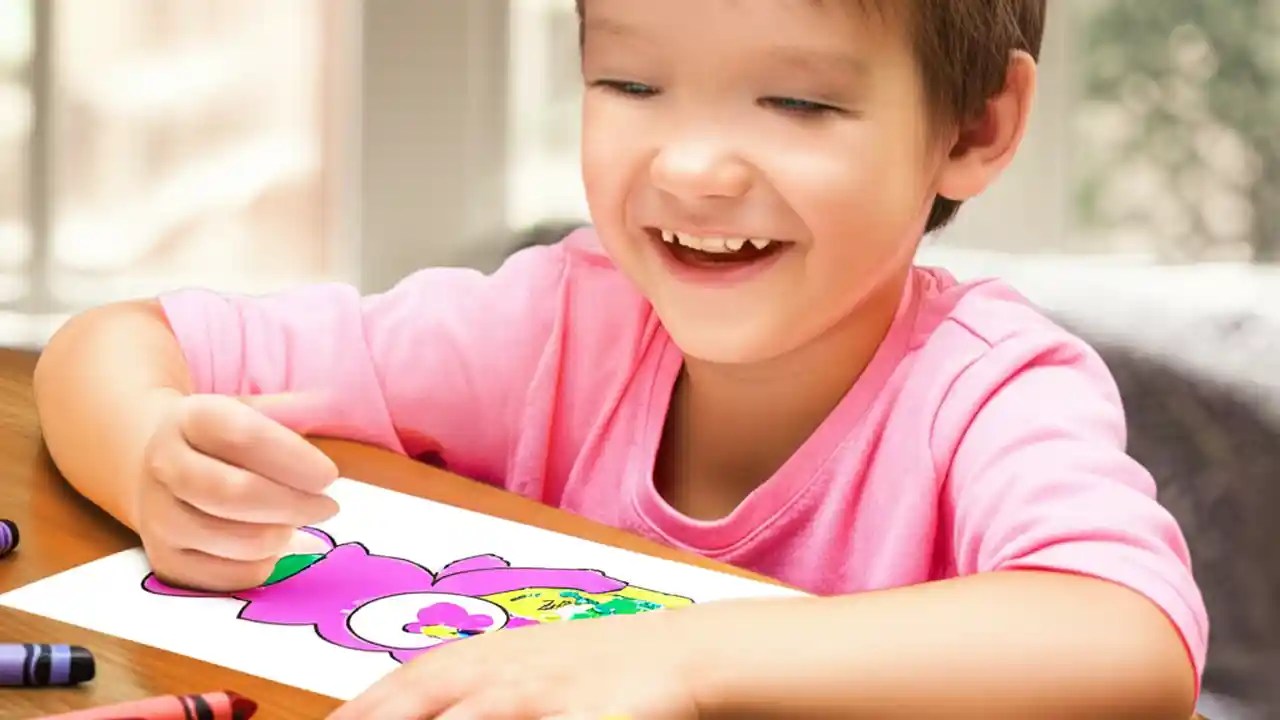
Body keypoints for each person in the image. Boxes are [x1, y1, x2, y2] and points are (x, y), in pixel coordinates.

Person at [34, 0, 1207, 717]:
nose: (693, 167)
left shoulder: (988, 388)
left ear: (974, 128)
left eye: (796, 103)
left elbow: (1128, 643)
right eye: (631, 85)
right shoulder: (549, 325)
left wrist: (683, 659)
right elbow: (114, 343)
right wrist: (151, 457)